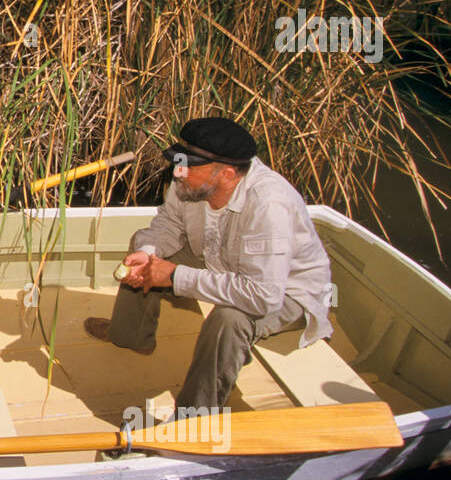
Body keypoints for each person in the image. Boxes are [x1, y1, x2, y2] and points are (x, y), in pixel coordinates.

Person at [85, 117, 333, 415]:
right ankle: (130, 335)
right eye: (179, 159)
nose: (178, 170)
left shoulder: (269, 205)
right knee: (143, 243)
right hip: (221, 261)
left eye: (188, 164)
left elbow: (264, 295)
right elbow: (168, 225)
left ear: (226, 174)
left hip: (286, 291)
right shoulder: (187, 181)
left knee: (229, 320)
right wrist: (149, 255)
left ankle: (193, 418)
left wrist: (175, 276)